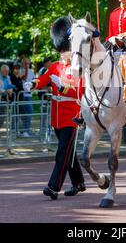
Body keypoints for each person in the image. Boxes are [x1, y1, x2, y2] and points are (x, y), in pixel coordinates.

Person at [37, 16, 85, 200]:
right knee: (69, 152)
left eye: (66, 50)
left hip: (72, 116)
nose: (63, 53)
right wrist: (32, 84)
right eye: (62, 50)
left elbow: (79, 92)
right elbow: (43, 79)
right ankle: (78, 182)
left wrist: (63, 85)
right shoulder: (55, 67)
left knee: (62, 152)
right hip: (57, 116)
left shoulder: (76, 68)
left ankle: (53, 186)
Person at [19, 58, 35, 137]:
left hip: (29, 95)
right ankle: (25, 130)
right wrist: (25, 68)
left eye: (28, 63)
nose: (27, 65)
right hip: (23, 95)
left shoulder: (31, 71)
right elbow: (23, 78)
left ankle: (25, 130)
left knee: (28, 113)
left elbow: (34, 81)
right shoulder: (20, 70)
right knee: (27, 112)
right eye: (25, 63)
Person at [10, 64, 24, 136]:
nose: (17, 70)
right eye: (16, 69)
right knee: (14, 115)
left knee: (18, 115)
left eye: (18, 68)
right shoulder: (12, 77)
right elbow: (14, 88)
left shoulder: (18, 78)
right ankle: (13, 131)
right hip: (14, 100)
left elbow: (21, 88)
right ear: (13, 70)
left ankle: (17, 131)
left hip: (20, 99)